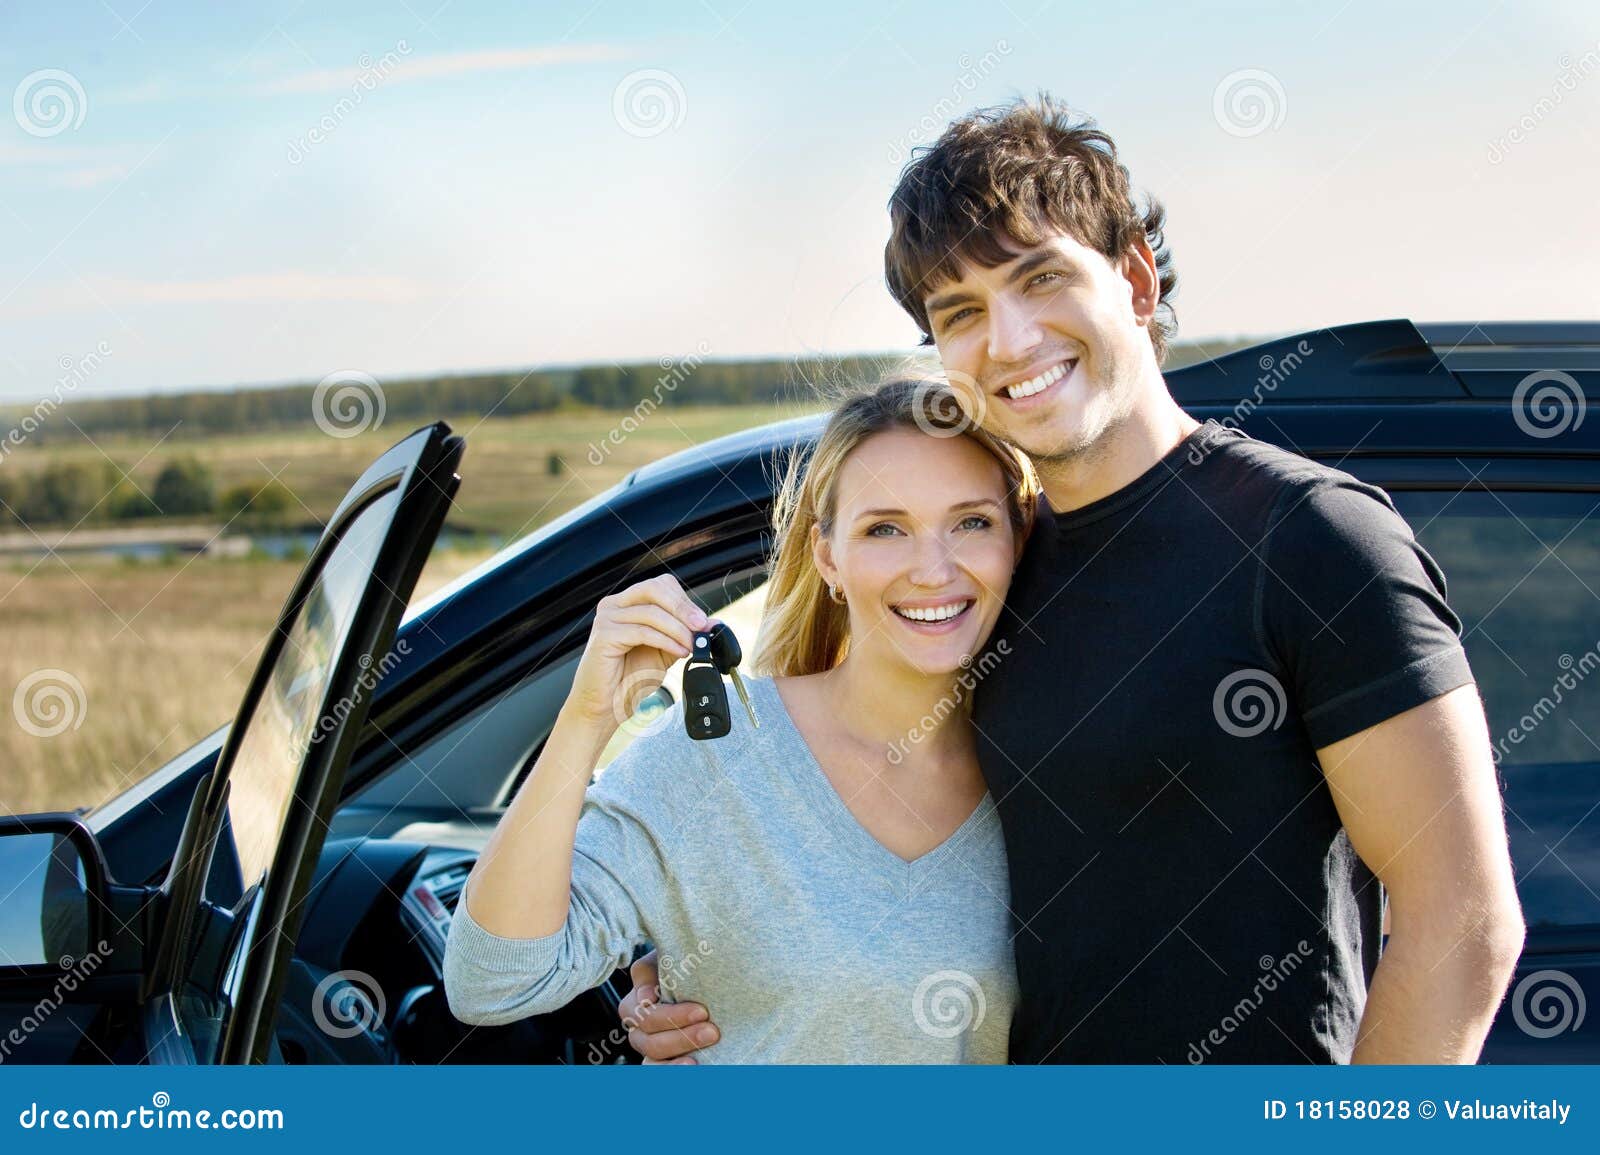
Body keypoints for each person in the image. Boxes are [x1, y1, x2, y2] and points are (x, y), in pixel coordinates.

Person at [621, 96, 1526, 1064]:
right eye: (959, 313)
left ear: (1133, 278)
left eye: (1039, 278)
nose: (1007, 341)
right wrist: (677, 953)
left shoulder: (1308, 540)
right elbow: (841, 794)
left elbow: (1463, 925)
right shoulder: (974, 576)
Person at [442, 374, 1040, 1062]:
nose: (934, 569)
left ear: (1016, 542)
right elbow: (493, 981)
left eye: (972, 521)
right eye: (885, 528)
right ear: (828, 558)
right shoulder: (717, 754)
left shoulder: (1060, 764)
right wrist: (585, 721)